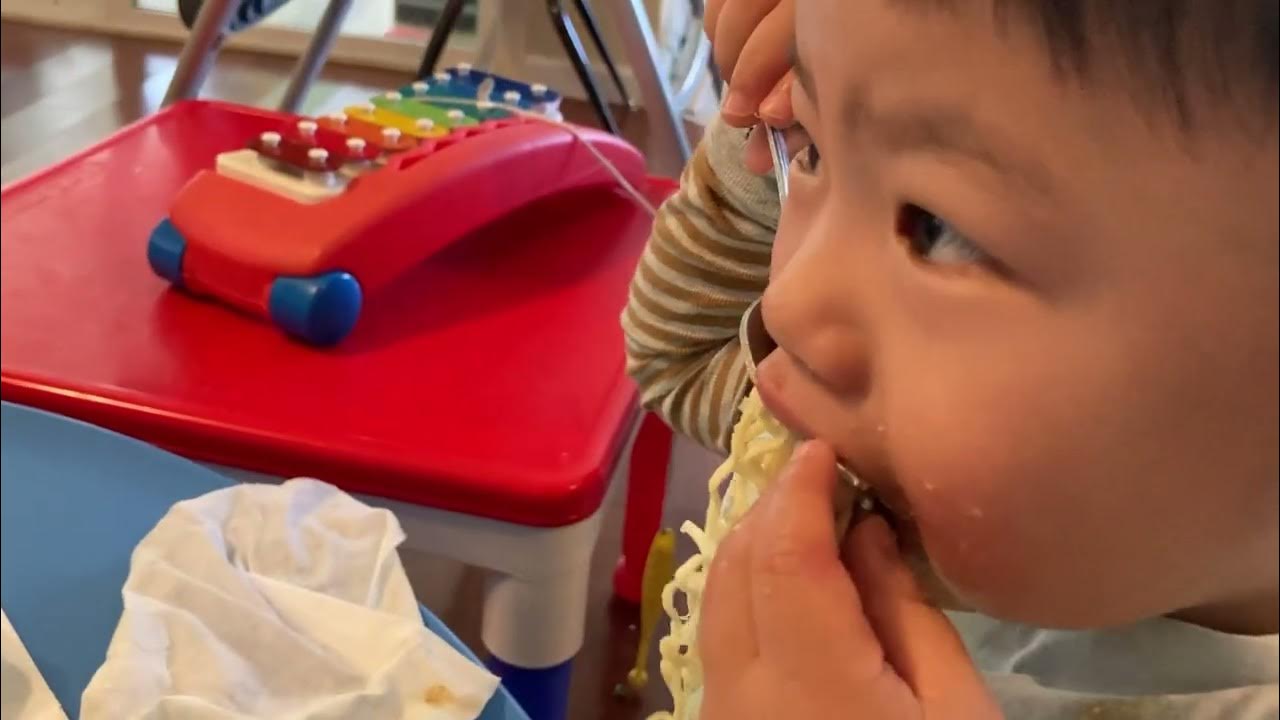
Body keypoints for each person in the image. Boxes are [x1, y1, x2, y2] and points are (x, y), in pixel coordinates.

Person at [622, 0, 1279, 717]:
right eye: (812, 153)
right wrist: (800, 96)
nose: (785, 305)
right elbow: (680, 350)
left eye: (940, 230)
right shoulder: (883, 476)